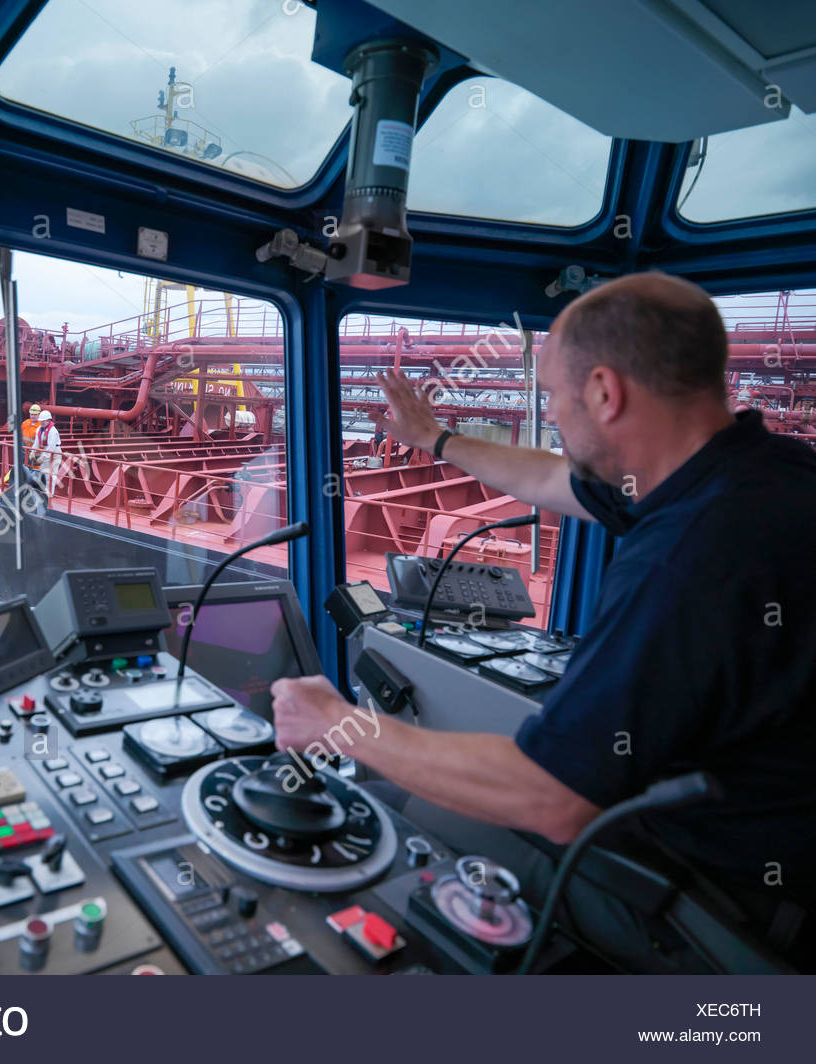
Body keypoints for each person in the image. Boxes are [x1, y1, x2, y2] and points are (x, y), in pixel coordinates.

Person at [273, 271, 816, 970]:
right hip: (773, 857)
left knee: (412, 835)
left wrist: (336, 724)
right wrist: (436, 438)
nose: (553, 416)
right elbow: (550, 478)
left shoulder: (688, 554)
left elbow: (552, 797)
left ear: (604, 391)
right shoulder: (762, 471)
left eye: (554, 396)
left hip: (723, 912)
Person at [30, 409, 62, 496]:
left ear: (48, 420)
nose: (41, 422)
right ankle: (44, 490)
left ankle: (50, 493)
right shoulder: (39, 430)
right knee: (43, 471)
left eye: (43, 421)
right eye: (40, 421)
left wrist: (42, 458)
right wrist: (32, 452)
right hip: (46, 451)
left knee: (53, 473)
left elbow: (51, 447)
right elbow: (36, 442)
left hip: (55, 453)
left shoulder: (53, 431)